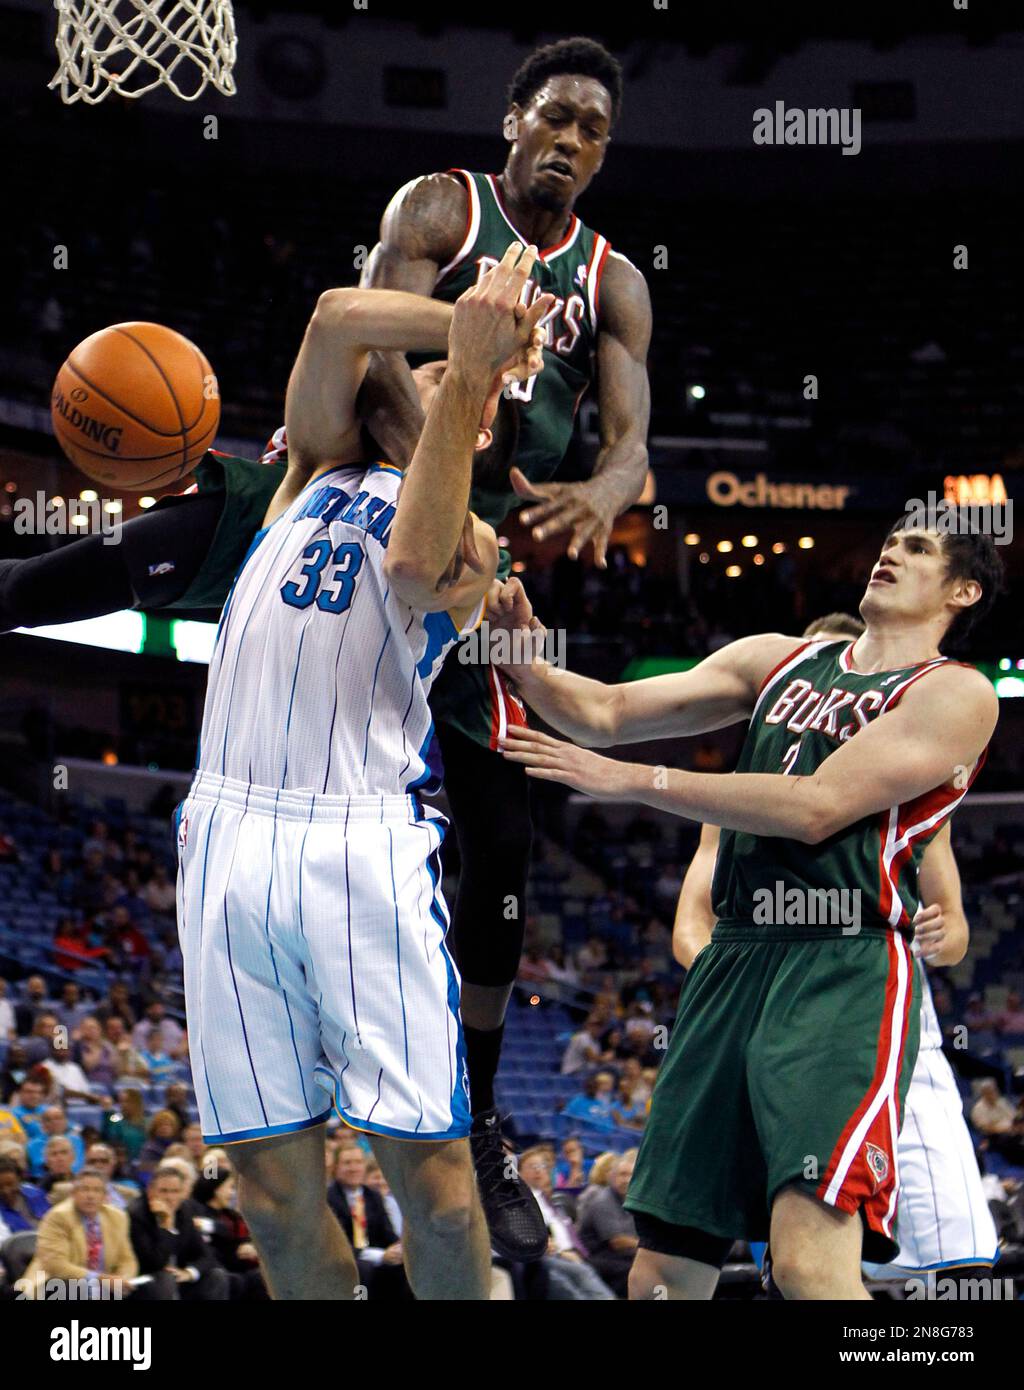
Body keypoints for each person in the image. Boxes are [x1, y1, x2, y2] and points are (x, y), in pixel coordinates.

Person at [0, 36, 652, 1268]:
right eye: (553, 117)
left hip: (422, 602)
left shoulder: (609, 295)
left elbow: (623, 447)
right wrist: (475, 340)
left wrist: (600, 492)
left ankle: (483, 1106)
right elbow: (351, 331)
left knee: (502, 837)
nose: (569, 142)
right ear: (514, 119)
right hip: (334, 492)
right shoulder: (437, 216)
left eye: (593, 129)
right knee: (93, 564)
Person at [493, 516, 1002, 1299]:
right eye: (890, 540)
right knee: (663, 1270)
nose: (890, 551)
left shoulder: (956, 692)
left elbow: (817, 806)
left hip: (840, 965)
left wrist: (633, 780)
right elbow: (604, 711)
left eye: (919, 548)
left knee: (807, 1264)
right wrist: (516, 647)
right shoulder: (777, 658)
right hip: (734, 961)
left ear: (963, 592)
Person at [174, 248, 549, 1300]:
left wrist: (473, 370)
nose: (423, 368)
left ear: (475, 427)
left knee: (431, 1191)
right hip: (225, 835)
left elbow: (408, 566)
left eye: (450, 380)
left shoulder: (475, 549)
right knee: (276, 1194)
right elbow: (340, 315)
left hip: (357, 847)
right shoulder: (310, 468)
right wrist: (474, 326)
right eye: (421, 364)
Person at [22, 1167, 137, 1298]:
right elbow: (56, 1265)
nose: (90, 1195)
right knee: (73, 1288)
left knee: (144, 1289)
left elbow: (127, 1260)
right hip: (58, 1285)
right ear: (73, 1193)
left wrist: (123, 1279)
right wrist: (100, 1279)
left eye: (97, 1190)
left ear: (105, 1196)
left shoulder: (117, 1217)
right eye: (84, 1189)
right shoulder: (58, 1216)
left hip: (102, 1287)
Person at [517, 1147, 616, 1299]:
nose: (538, 1171)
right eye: (532, 1166)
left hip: (571, 1255)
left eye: (542, 1166)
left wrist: (576, 1252)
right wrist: (562, 1253)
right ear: (520, 1173)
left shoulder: (550, 1203)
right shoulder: (519, 1202)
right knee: (579, 1275)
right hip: (548, 1257)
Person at [128, 1165, 229, 1301]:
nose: (170, 1197)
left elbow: (206, 1254)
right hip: (147, 1282)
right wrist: (167, 1225)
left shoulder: (185, 1211)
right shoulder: (137, 1215)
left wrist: (189, 1273)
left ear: (183, 1193)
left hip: (177, 1278)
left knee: (217, 1276)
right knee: (165, 1279)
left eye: (175, 1191)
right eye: (163, 1191)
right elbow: (155, 1263)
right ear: (150, 1191)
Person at [326, 1143, 409, 1302]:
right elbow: (332, 1243)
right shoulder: (327, 1198)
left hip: (377, 1254)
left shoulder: (373, 1196)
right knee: (364, 1269)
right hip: (344, 1257)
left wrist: (400, 1249)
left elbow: (388, 1234)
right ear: (335, 1168)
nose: (353, 1168)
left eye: (358, 1162)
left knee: (404, 1265)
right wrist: (381, 1256)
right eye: (347, 1163)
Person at [191, 1164, 268, 1301]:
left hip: (232, 1268)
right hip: (209, 1271)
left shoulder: (231, 1215)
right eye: (230, 1188)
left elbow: (235, 1235)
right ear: (216, 1188)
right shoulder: (194, 1209)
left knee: (261, 1276)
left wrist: (249, 1247)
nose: (233, 1194)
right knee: (221, 1278)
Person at [576, 1150, 640, 1297]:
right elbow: (618, 1242)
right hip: (599, 1257)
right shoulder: (603, 1201)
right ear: (612, 1177)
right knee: (638, 1271)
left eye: (631, 1175)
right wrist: (649, 1250)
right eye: (622, 1174)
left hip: (621, 1256)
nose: (626, 1179)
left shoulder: (631, 1201)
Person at [26, 1107, 85, 1177]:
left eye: (58, 1118)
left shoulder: (76, 1140)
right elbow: (44, 1165)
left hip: (74, 1177)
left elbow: (79, 1163)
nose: (54, 1122)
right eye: (49, 1120)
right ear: (42, 1124)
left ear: (66, 1121)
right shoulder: (33, 1144)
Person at [0, 1154, 50, 1234]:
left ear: (19, 1179)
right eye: (0, 1187)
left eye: (10, 1184)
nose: (6, 1191)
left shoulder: (37, 1194)